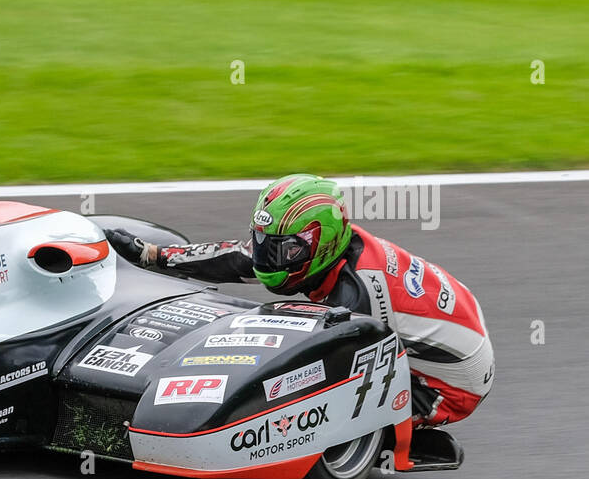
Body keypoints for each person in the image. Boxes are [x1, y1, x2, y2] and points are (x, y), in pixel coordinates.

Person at [106, 174, 493, 427]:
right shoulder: (326, 252)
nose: (268, 259)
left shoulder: (356, 294)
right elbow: (234, 258)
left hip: (447, 383)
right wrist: (152, 255)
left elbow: (315, 364)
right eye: (264, 244)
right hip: (447, 318)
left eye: (283, 251)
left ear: (320, 242)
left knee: (316, 396)